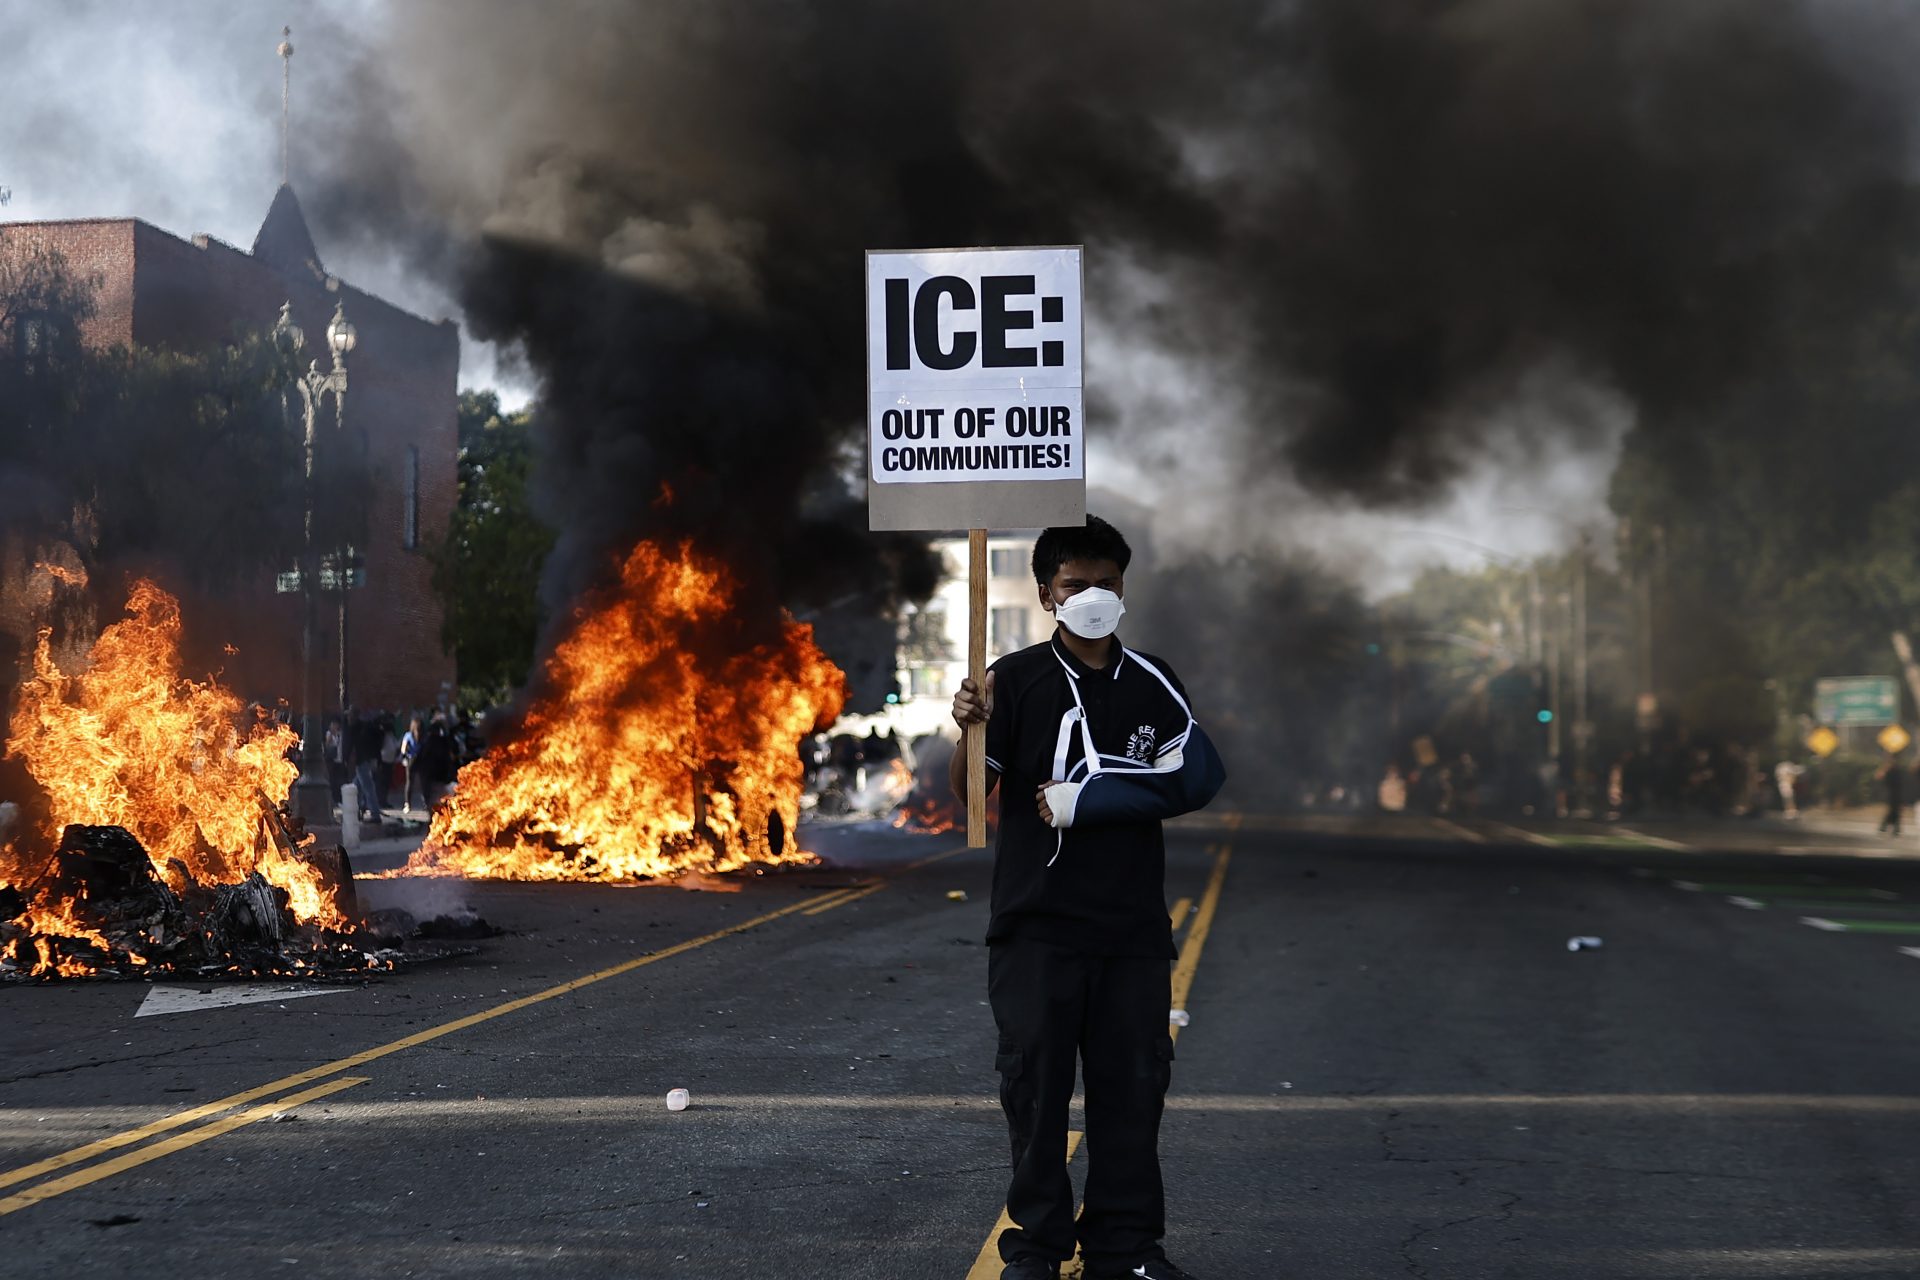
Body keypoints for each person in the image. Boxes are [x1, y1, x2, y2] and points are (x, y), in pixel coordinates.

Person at [949, 515, 1225, 1280]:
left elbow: (1197, 779)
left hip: (1132, 928)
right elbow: (973, 796)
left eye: (1107, 582)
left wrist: (1092, 799)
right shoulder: (1014, 678)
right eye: (1076, 585)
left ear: (1125, 589)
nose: (1094, 596)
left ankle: (1125, 1248)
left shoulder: (1153, 681)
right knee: (1034, 1094)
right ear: (1046, 595)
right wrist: (967, 732)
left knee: (1132, 1093)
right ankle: (1036, 1248)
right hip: (1035, 925)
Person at [1878, 754, 1904, 836]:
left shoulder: (1896, 770)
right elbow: (1883, 780)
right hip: (1892, 794)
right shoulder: (1889, 771)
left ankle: (1888, 827)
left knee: (1895, 811)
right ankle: (1891, 828)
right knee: (1894, 811)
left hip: (1896, 793)